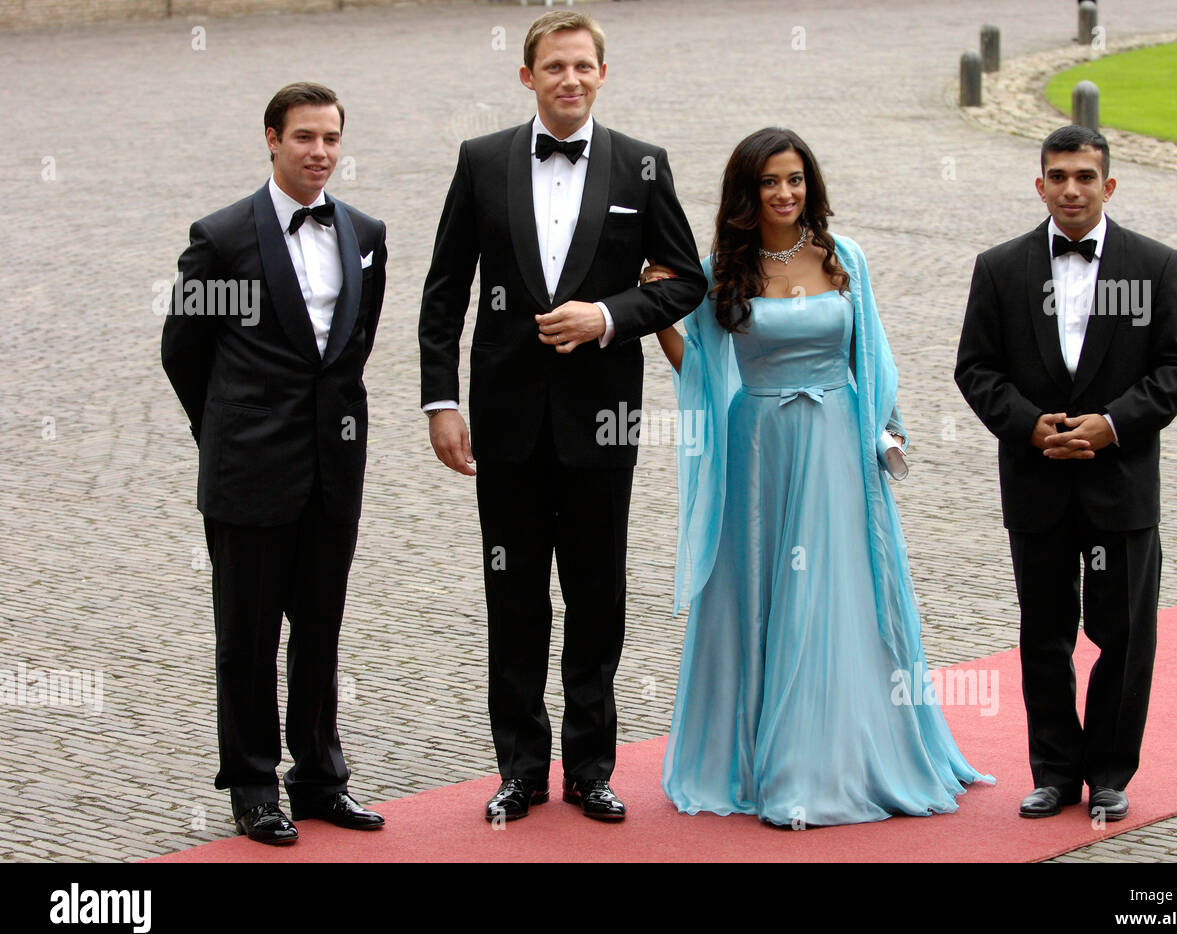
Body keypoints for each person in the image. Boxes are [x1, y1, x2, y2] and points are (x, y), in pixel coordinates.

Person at [651, 128, 992, 827]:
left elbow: (874, 360)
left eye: (796, 179)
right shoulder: (722, 269)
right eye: (770, 182)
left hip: (838, 442)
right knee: (758, 589)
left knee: (836, 594)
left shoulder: (846, 259)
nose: (785, 193)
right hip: (759, 446)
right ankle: (748, 756)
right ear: (747, 192)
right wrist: (660, 321)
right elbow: (706, 378)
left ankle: (830, 759)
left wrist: (888, 429)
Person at [418, 11, 707, 823]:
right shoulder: (480, 162)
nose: (569, 79)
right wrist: (441, 401)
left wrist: (608, 317)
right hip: (504, 423)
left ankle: (590, 767)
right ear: (528, 77)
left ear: (602, 74)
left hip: (602, 422)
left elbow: (684, 280)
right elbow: (444, 293)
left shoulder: (643, 166)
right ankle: (518, 767)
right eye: (554, 67)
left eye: (583, 66)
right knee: (512, 598)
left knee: (596, 596)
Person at [161, 82, 388, 845]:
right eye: (304, 138)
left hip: (335, 469)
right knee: (249, 636)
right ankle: (254, 785)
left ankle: (322, 778)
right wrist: (224, 432)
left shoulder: (364, 231)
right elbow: (183, 351)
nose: (319, 152)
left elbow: (351, 348)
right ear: (271, 139)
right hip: (248, 472)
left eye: (330, 138)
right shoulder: (223, 238)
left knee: (320, 630)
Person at [955, 125, 1177, 821]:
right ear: (1040, 185)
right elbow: (975, 368)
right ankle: (1055, 771)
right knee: (1045, 631)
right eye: (1058, 176)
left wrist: (1112, 423)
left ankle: (1111, 768)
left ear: (1108, 185)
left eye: (1085, 177)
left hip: (1120, 483)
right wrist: (1030, 425)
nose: (1070, 188)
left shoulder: (1154, 266)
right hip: (1036, 484)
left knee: (1124, 631)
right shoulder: (1000, 267)